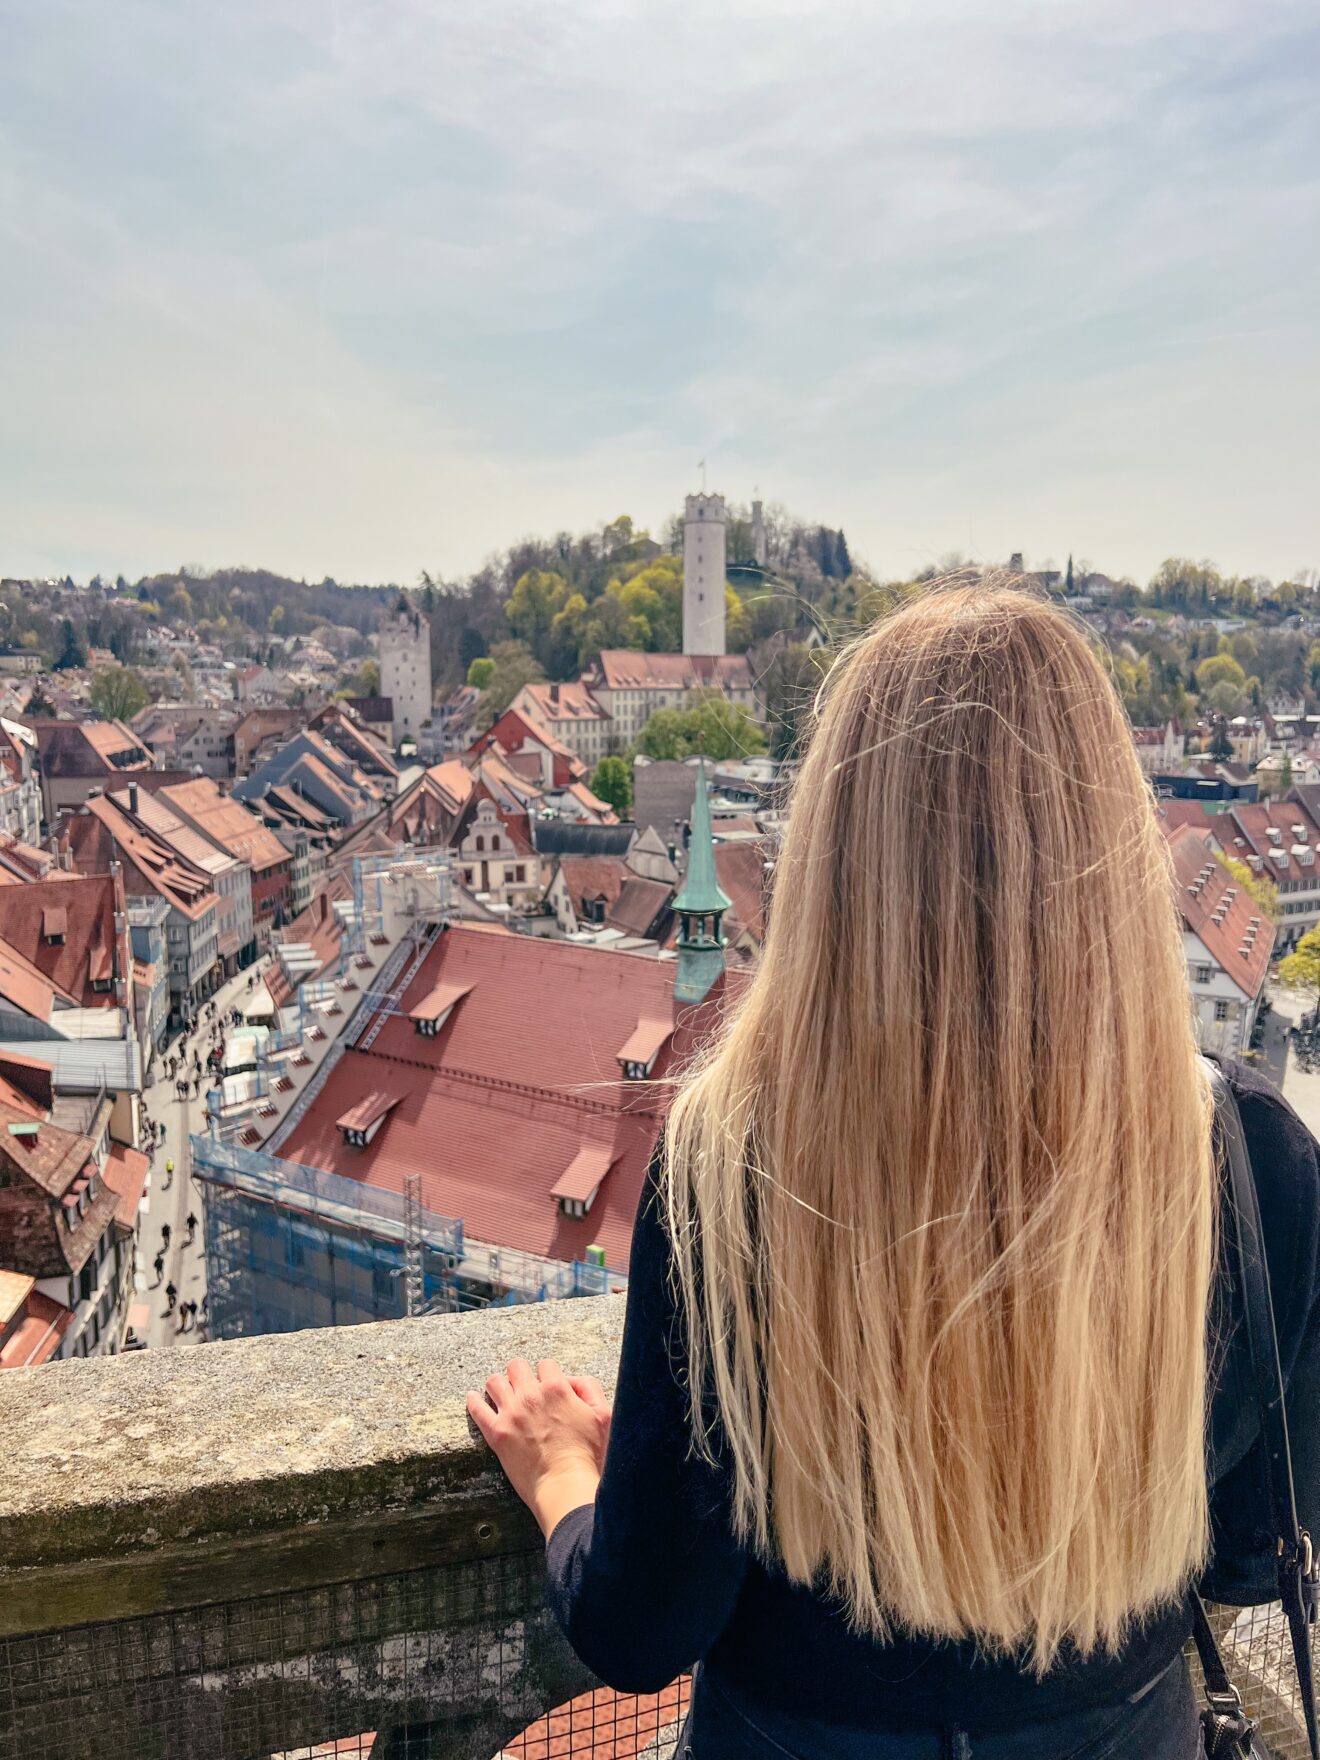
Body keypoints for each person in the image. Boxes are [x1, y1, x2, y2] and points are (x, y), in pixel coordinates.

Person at [469, 584, 1320, 1760]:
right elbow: (1256, 1547)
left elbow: (646, 1622)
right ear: (1116, 848)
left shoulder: (735, 1170)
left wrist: (565, 1475)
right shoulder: (1247, 1153)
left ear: (833, 854)